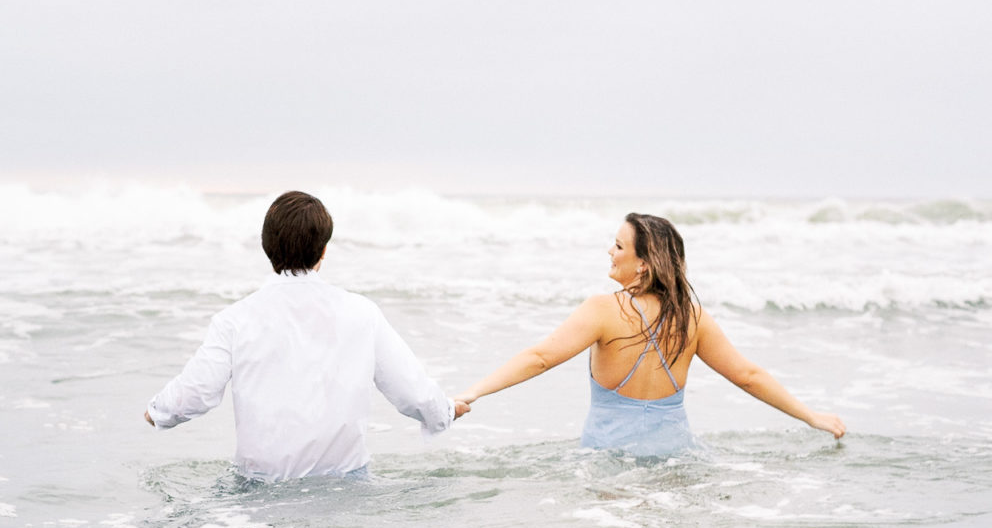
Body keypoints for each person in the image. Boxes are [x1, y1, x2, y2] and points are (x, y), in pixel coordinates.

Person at [456, 211, 845, 457]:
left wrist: (472, 392)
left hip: (608, 462)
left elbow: (539, 358)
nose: (610, 250)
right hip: (677, 459)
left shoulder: (603, 310)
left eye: (619, 245)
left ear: (642, 264)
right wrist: (813, 417)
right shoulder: (691, 317)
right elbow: (748, 376)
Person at [144, 190, 468, 480]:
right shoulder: (361, 313)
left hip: (261, 489)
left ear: (265, 246)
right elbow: (413, 392)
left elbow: (196, 392)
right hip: (344, 485)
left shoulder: (234, 320)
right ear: (324, 251)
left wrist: (158, 411)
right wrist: (446, 412)